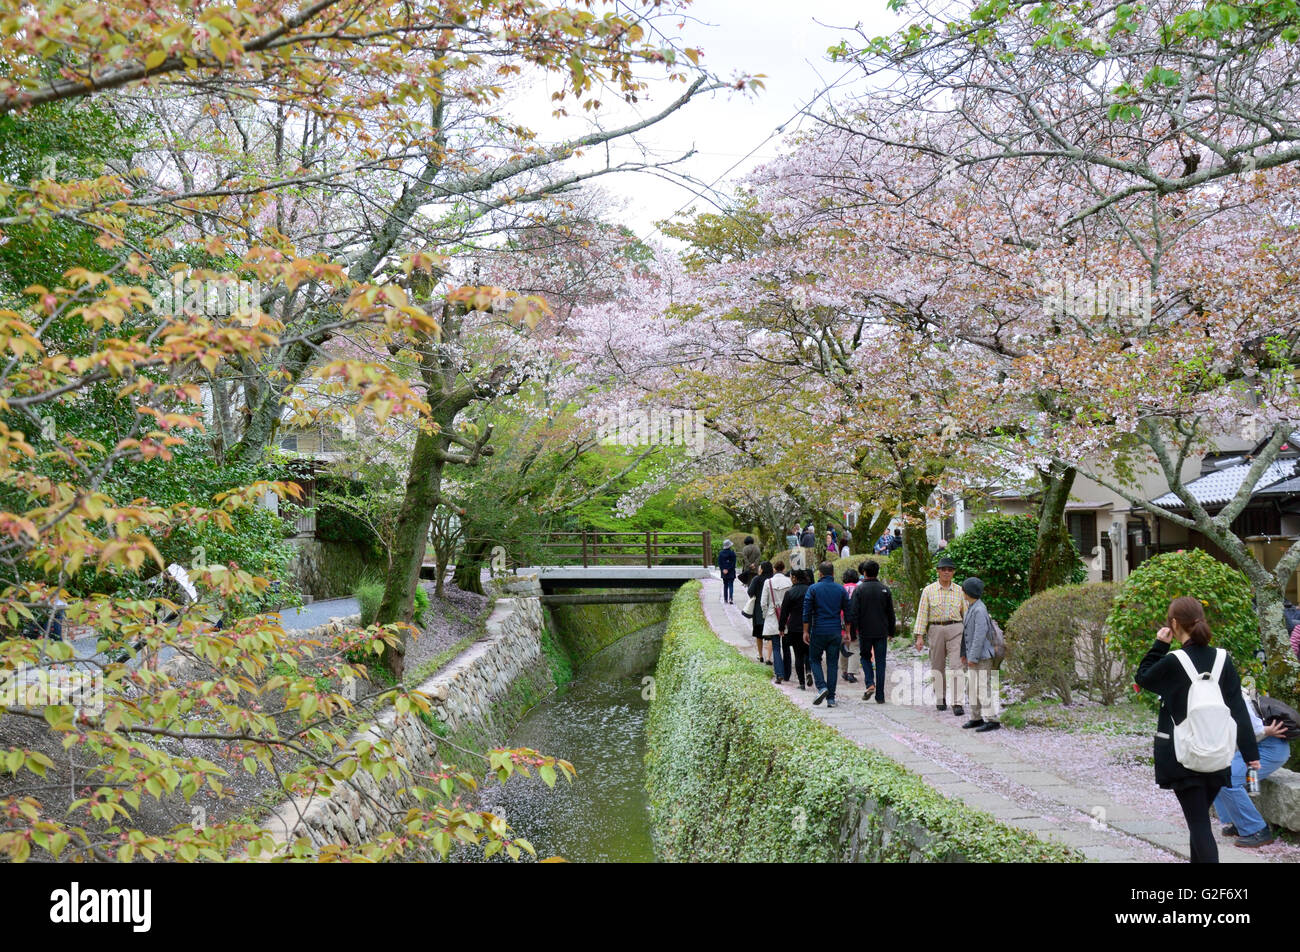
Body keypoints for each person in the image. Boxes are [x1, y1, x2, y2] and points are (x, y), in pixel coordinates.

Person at [1135, 596, 1259, 864]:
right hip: (1218, 755)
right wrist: (1251, 754)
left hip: (1184, 756)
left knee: (1200, 826)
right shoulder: (1223, 659)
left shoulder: (1174, 661)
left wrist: (1160, 645)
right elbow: (1237, 708)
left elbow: (1143, 677)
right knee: (1199, 820)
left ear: (1175, 624)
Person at [1211, 686, 1293, 847]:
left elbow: (1251, 727)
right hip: (1251, 745)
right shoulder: (1209, 691)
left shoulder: (1227, 690)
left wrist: (1264, 730)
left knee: (1229, 779)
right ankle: (1239, 822)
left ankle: (1257, 830)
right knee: (1215, 773)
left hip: (1269, 747)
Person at [913, 556, 966, 715]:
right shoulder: (928, 590)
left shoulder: (960, 590)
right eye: (943, 569)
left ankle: (957, 703)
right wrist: (919, 636)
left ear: (953, 572)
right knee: (937, 665)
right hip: (935, 629)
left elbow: (966, 613)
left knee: (957, 666)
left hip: (956, 628)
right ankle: (940, 698)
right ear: (938, 571)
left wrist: (969, 634)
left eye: (950, 570)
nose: (946, 572)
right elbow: (922, 614)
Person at [803, 561, 851, 707]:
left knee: (814, 660)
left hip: (818, 629)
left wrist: (805, 631)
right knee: (832, 664)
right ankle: (831, 698)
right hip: (835, 630)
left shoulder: (813, 589)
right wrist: (847, 632)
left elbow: (806, 612)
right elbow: (848, 612)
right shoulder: (841, 590)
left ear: (820, 573)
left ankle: (822, 687)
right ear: (833, 574)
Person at [848, 559, 895, 703]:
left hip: (865, 631)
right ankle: (880, 695)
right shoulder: (885, 589)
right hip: (881, 631)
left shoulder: (859, 590)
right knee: (881, 662)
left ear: (864, 572)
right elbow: (890, 613)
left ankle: (870, 683)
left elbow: (854, 613)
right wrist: (891, 631)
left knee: (865, 657)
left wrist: (852, 633)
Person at [958, 577, 1000, 732]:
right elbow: (966, 634)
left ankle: (992, 719)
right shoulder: (972, 607)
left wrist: (973, 657)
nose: (962, 592)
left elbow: (979, 636)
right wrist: (964, 653)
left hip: (982, 657)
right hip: (973, 656)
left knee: (982, 687)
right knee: (972, 688)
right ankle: (976, 717)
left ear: (969, 592)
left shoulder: (979, 609)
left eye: (964, 589)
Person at [761, 560, 794, 684]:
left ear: (774, 569)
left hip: (772, 615)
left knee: (775, 646)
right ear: (784, 569)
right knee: (786, 647)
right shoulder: (790, 582)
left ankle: (779, 674)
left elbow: (763, 602)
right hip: (787, 617)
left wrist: (766, 615)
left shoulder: (768, 582)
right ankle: (787, 674)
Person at [779, 569, 812, 688]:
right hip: (809, 625)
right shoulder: (810, 590)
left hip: (795, 627)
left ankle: (802, 683)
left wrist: (781, 627)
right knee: (808, 652)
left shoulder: (790, 592)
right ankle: (809, 670)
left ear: (794, 578)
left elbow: (784, 612)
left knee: (798, 655)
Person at [839, 568, 860, 684]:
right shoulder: (859, 588)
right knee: (854, 646)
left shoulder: (841, 589)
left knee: (843, 646)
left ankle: (844, 671)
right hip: (855, 621)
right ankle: (852, 672)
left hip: (842, 620)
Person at [746, 563, 769, 664]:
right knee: (771, 636)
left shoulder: (757, 579)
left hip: (758, 610)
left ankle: (760, 656)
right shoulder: (772, 580)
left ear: (762, 569)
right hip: (770, 610)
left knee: (759, 635)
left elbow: (750, 592)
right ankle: (768, 657)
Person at [717, 538, 737, 604]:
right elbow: (733, 564)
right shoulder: (732, 553)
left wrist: (723, 569)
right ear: (729, 546)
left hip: (724, 572)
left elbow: (719, 563)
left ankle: (725, 599)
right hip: (731, 571)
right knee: (731, 585)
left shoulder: (721, 553)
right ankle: (731, 599)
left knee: (725, 585)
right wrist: (728, 569)